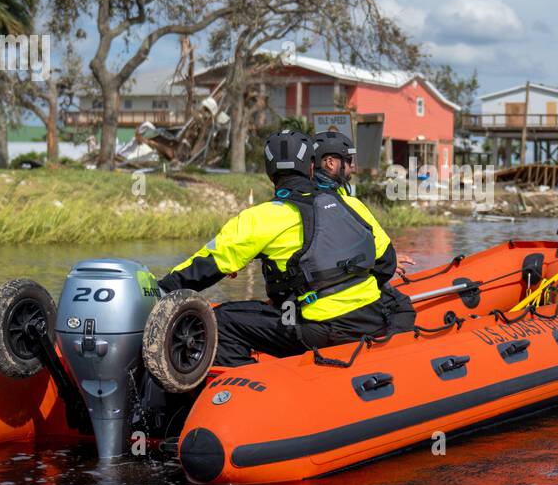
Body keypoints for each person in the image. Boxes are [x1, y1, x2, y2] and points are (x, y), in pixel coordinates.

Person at [156, 128, 414, 367]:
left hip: (320, 330)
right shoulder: (354, 205)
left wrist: (162, 290)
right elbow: (386, 264)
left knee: (220, 322)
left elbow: (205, 267)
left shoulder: (262, 217)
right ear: (312, 168)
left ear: (270, 173)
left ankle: (254, 393)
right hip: (371, 317)